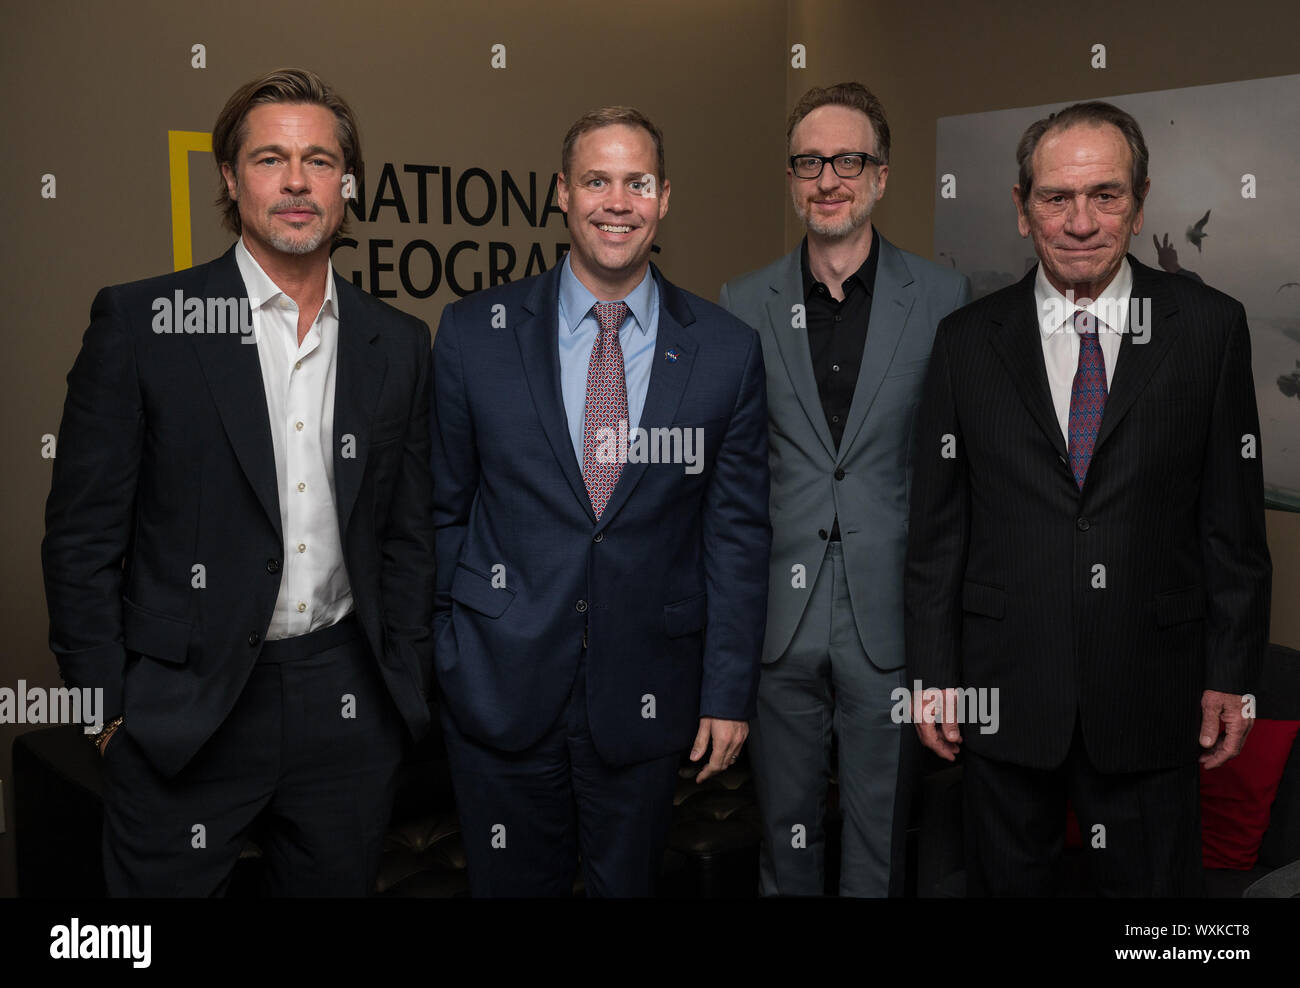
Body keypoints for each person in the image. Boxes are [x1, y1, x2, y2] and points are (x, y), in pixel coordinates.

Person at [41, 68, 435, 896]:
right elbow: (82, 538)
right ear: (229, 177)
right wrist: (106, 714)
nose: (297, 181)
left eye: (321, 161)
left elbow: (407, 533)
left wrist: (404, 679)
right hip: (184, 711)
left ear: (347, 184)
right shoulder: (144, 324)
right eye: (270, 158)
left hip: (347, 700)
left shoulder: (396, 342)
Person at [905, 101, 1271, 896]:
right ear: (1021, 206)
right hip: (1002, 695)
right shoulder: (966, 341)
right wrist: (933, 672)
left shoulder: (1209, 330)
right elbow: (939, 528)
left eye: (1105, 195)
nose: (1080, 222)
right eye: (1055, 198)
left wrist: (1232, 673)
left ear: (1140, 204)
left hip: (1151, 694)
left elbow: (1233, 530)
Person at [430, 106, 770, 896]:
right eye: (596, 180)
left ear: (665, 198)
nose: (617, 202)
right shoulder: (473, 333)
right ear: (561, 194)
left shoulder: (727, 351)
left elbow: (738, 535)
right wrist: (449, 647)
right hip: (498, 684)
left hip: (649, 694)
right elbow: (442, 508)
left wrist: (725, 691)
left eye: (637, 183)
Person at [720, 82, 970, 896]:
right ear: (793, 178)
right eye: (810, 162)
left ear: (882, 175)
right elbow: (734, 472)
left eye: (848, 160)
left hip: (890, 618)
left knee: (879, 843)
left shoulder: (942, 300)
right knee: (782, 845)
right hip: (778, 621)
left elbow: (954, 475)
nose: (829, 178)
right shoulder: (741, 302)